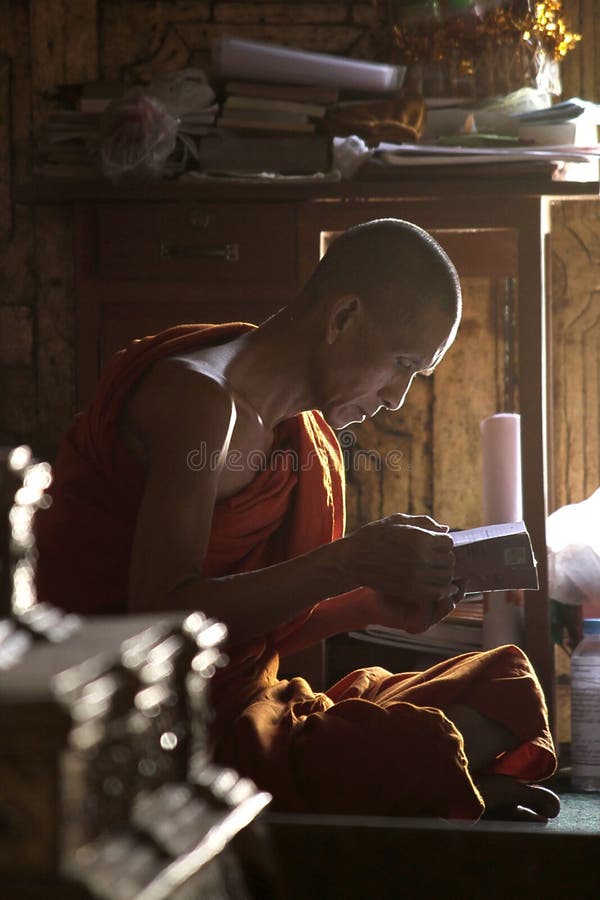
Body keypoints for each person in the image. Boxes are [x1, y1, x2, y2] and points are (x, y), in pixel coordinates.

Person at [35, 219, 559, 821]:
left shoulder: (308, 437)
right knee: (416, 749)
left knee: (508, 681)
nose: (397, 397)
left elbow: (252, 637)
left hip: (248, 700)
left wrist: (366, 605)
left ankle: (435, 787)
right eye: (402, 364)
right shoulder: (199, 403)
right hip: (147, 723)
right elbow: (162, 619)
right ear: (342, 319)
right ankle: (439, 784)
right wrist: (348, 561)